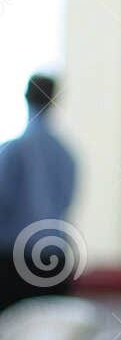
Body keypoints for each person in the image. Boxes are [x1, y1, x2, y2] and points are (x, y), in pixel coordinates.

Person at [0, 75, 79, 316]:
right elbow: (66, 204)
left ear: (25, 97)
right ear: (54, 101)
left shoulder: (12, 151)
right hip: (55, 266)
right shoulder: (67, 156)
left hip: (11, 265)